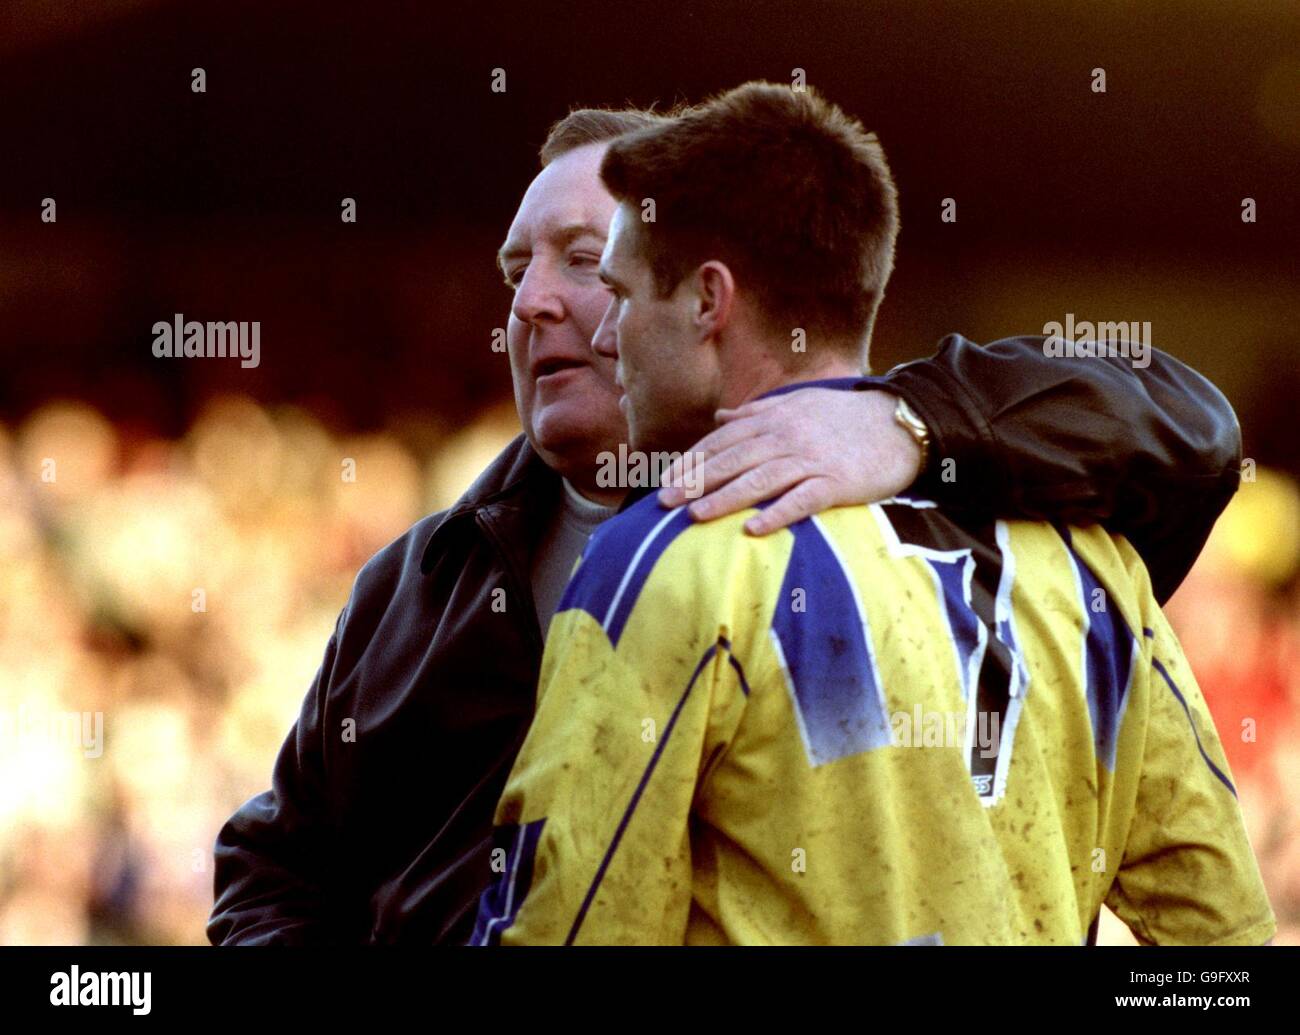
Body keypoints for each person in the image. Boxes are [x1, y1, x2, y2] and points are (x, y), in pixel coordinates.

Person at [210, 103, 1244, 945]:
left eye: (587, 263)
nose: (531, 304)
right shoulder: (410, 585)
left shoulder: (733, 542)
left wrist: (918, 420)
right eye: (511, 270)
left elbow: (1192, 432)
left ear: (701, 292)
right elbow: (273, 869)